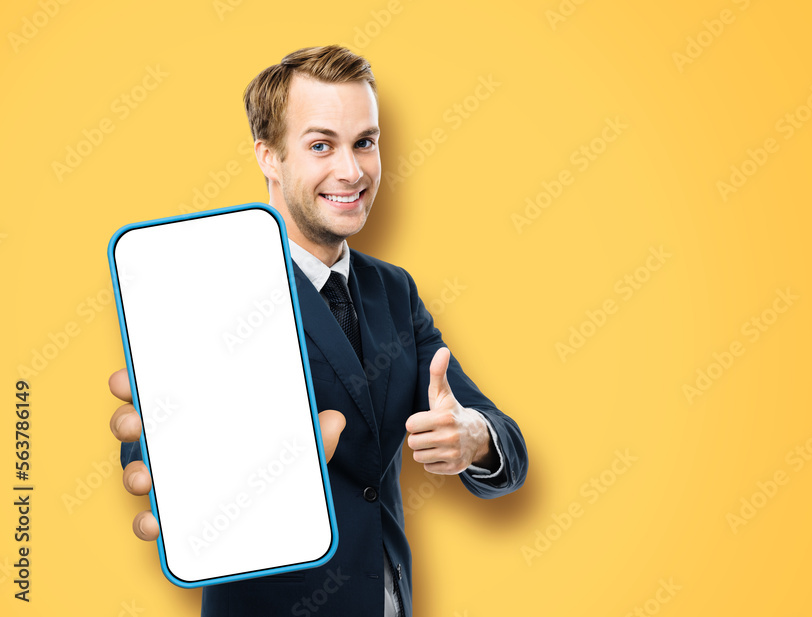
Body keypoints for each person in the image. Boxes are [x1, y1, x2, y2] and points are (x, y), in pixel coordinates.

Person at [108, 45, 528, 616]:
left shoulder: (394, 290)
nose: (352, 171)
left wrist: (473, 436)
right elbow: (162, 455)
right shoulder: (210, 289)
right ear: (269, 157)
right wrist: (190, 460)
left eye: (365, 142)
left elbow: (502, 440)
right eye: (321, 145)